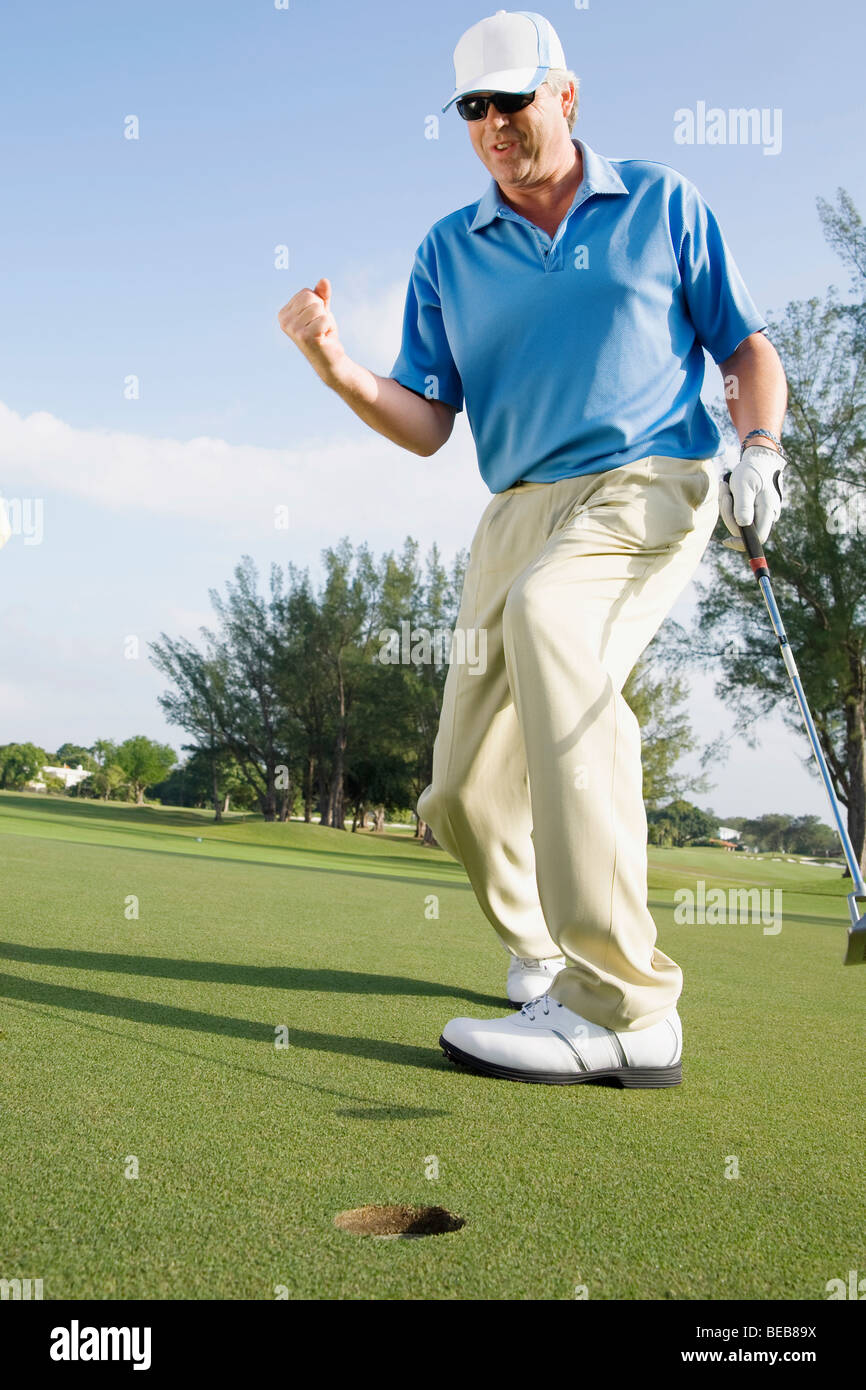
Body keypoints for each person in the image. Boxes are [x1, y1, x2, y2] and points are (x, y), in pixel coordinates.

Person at [278, 10, 788, 1088]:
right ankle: (540, 945)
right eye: (473, 108)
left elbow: (741, 343)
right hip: (514, 506)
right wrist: (335, 365)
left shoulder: (659, 203)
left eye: (513, 100)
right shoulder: (444, 250)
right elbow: (426, 421)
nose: (494, 124)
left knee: (555, 619)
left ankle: (623, 1008)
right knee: (459, 792)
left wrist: (758, 442)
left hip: (650, 475)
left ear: (566, 95)